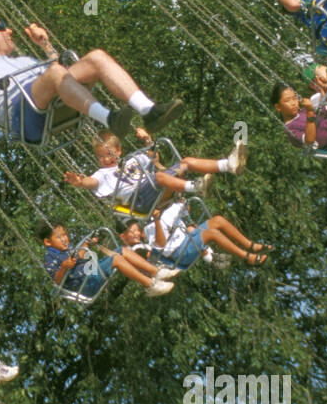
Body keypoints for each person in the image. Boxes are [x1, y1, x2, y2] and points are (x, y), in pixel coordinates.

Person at [0, 12, 183, 144]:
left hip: (47, 96)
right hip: (24, 117)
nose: (10, 31)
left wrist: (45, 45)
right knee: (55, 73)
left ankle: (149, 111)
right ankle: (110, 119)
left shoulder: (25, 61)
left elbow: (62, 74)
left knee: (96, 57)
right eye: (1, 27)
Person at [65, 128, 245, 211]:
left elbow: (153, 157)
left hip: (152, 186)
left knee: (187, 161)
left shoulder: (133, 159)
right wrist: (81, 182)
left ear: (119, 150)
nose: (105, 159)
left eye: (109, 154)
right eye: (101, 157)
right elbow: (92, 182)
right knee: (159, 177)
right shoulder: (102, 174)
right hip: (139, 200)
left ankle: (228, 165)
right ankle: (197, 186)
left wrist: (147, 140)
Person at [40, 220, 177, 298]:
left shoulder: (68, 248)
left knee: (122, 251)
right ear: (48, 242)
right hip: (83, 284)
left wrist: (87, 243)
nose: (64, 239)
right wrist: (64, 266)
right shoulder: (50, 257)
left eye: (65, 235)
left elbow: (78, 257)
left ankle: (156, 272)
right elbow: (56, 280)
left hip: (91, 273)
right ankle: (150, 285)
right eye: (59, 237)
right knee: (115, 258)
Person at [148, 200, 270, 269]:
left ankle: (250, 245)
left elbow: (186, 209)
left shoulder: (171, 207)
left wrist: (184, 206)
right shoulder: (150, 225)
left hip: (188, 236)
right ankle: (248, 257)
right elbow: (160, 244)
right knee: (212, 234)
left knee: (218, 220)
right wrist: (157, 220)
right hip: (179, 252)